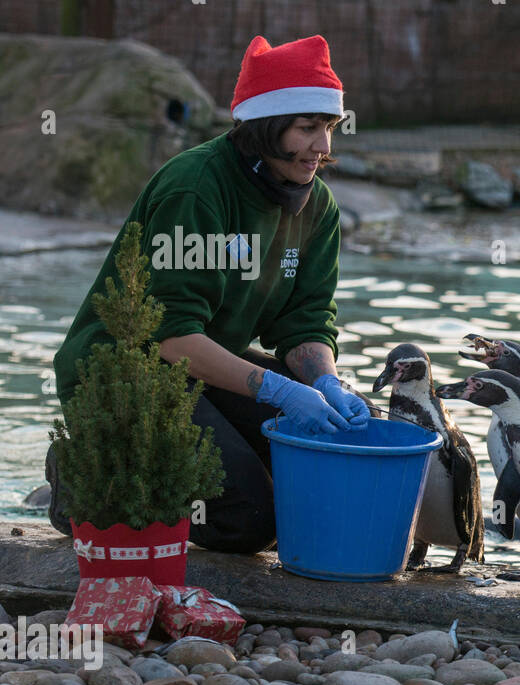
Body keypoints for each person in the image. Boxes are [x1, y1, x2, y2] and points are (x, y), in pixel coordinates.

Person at [47, 34, 370, 553]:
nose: (324, 148)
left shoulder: (318, 207)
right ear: (266, 126)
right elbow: (172, 337)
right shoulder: (197, 188)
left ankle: (152, 470)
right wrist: (281, 391)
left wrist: (325, 384)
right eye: (308, 128)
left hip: (202, 368)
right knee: (251, 519)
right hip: (125, 367)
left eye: (328, 128)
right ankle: (88, 474)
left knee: (323, 452)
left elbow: (305, 320)